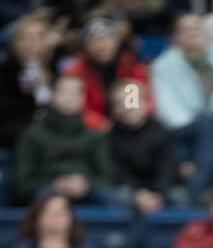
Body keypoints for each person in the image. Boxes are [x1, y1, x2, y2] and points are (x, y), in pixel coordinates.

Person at [151, 13, 213, 201]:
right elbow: (167, 108)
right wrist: (200, 119)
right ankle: (197, 192)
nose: (192, 33)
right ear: (176, 37)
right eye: (186, 29)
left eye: (197, 28)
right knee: (208, 128)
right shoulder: (164, 65)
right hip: (181, 126)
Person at [13, 74, 114, 205]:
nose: (69, 98)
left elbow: (109, 177)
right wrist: (55, 185)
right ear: (52, 95)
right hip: (46, 194)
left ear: (83, 99)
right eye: (63, 91)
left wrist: (86, 184)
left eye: (75, 93)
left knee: (116, 195)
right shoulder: (32, 135)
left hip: (90, 193)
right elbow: (22, 183)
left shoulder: (95, 136)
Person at [62, 16, 149, 129]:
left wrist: (126, 121)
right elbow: (71, 106)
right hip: (88, 130)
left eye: (107, 39)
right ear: (85, 46)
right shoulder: (74, 72)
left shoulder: (132, 68)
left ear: (117, 42)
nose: (102, 45)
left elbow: (142, 102)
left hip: (128, 128)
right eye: (95, 40)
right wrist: (100, 124)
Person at [108, 80, 181, 211]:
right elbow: (116, 172)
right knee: (116, 195)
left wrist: (158, 193)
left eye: (132, 101)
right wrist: (138, 193)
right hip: (131, 191)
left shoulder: (161, 131)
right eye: (121, 103)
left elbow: (167, 167)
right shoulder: (110, 136)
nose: (128, 107)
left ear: (145, 103)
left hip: (160, 191)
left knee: (181, 197)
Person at [0, 14, 56, 151]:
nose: (30, 43)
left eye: (37, 37)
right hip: (16, 135)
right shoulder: (4, 70)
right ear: (14, 43)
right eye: (24, 38)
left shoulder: (55, 67)